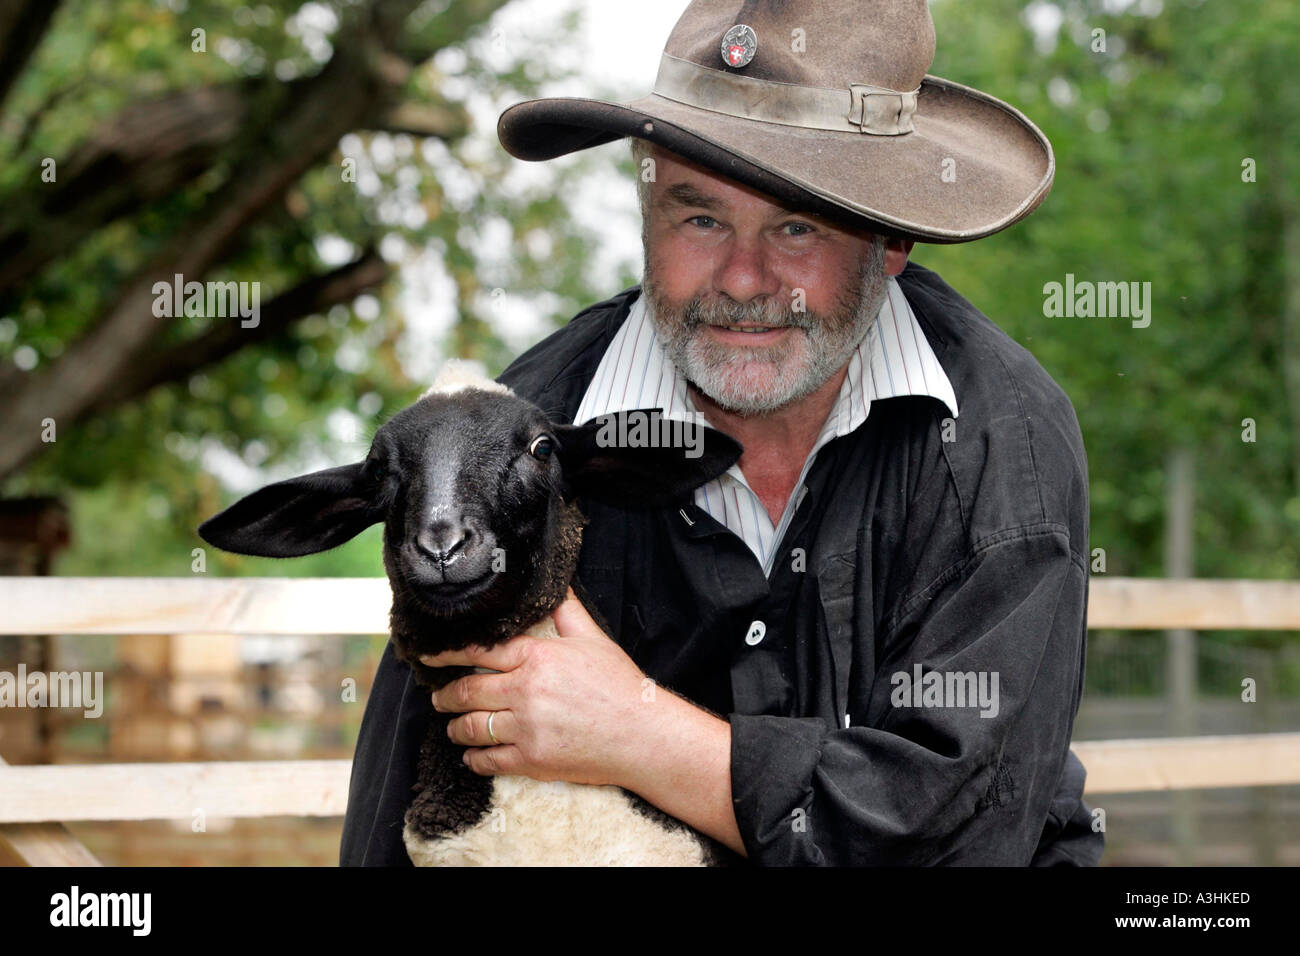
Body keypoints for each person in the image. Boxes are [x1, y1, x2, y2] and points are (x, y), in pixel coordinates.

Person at [340, 0, 1104, 866]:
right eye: (700, 218)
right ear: (645, 208)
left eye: (797, 226)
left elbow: (962, 835)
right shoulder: (519, 438)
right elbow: (405, 811)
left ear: (892, 242)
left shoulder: (1004, 440)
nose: (743, 280)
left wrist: (636, 732)